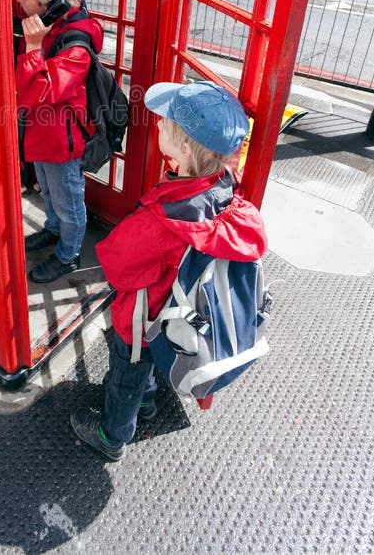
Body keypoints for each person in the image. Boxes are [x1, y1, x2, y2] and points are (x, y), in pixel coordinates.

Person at [70, 80, 267, 460]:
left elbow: (116, 265)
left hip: (142, 319)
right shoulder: (225, 190)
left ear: (184, 150)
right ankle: (146, 402)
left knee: (126, 373)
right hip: (176, 318)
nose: (157, 125)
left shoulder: (161, 221)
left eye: (165, 124)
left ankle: (113, 436)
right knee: (142, 371)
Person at [12, 0, 104, 284]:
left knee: (68, 201)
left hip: (62, 141)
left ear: (48, 2)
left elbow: (36, 94)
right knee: (48, 194)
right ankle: (53, 230)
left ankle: (68, 255)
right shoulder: (52, 21)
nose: (19, 1)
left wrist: (33, 47)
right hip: (41, 134)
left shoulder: (75, 47)